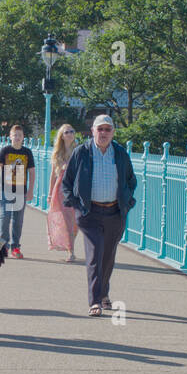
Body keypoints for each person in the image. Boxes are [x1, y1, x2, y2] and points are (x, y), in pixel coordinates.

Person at [62, 114, 137, 316]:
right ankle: (94, 301)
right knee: (96, 253)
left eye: (107, 129)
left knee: (108, 256)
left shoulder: (120, 154)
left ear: (113, 132)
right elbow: (67, 183)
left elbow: (131, 181)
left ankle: (104, 294)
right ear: (92, 131)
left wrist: (127, 203)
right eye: (100, 129)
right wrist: (77, 205)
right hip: (90, 213)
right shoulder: (82, 153)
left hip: (114, 212)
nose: (103, 133)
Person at [0, 124, 36, 259]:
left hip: (20, 191)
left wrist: (30, 190)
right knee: (5, 217)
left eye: (19, 135)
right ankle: (4, 247)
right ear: (10, 137)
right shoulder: (5, 151)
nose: (17, 137)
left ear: (23, 137)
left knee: (18, 220)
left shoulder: (27, 152)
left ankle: (15, 247)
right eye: (14, 135)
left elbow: (32, 172)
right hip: (6, 189)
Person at [46, 124, 79, 261]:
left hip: (76, 189)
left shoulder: (79, 150)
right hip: (60, 190)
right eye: (67, 132)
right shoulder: (57, 153)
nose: (70, 134)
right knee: (67, 221)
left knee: (76, 222)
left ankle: (69, 244)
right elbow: (53, 175)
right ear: (62, 135)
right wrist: (49, 193)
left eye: (72, 131)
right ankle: (71, 251)